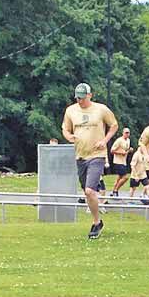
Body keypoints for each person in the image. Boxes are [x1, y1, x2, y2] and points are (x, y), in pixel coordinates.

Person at [61, 82, 118, 240]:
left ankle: (96, 222)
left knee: (89, 190)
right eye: (77, 98)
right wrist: (69, 136)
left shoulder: (101, 109)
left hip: (97, 155)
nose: (80, 101)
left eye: (82, 98)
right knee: (87, 192)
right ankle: (97, 220)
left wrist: (105, 140)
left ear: (90, 95)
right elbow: (65, 128)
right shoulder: (71, 111)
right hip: (80, 155)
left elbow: (114, 125)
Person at [110, 127, 132, 196]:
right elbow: (112, 150)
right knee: (125, 177)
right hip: (118, 161)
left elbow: (125, 151)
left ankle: (113, 191)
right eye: (126, 133)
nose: (127, 134)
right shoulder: (119, 140)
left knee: (119, 177)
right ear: (123, 133)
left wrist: (129, 150)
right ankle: (116, 190)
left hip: (123, 161)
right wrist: (120, 153)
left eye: (128, 133)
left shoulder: (128, 140)